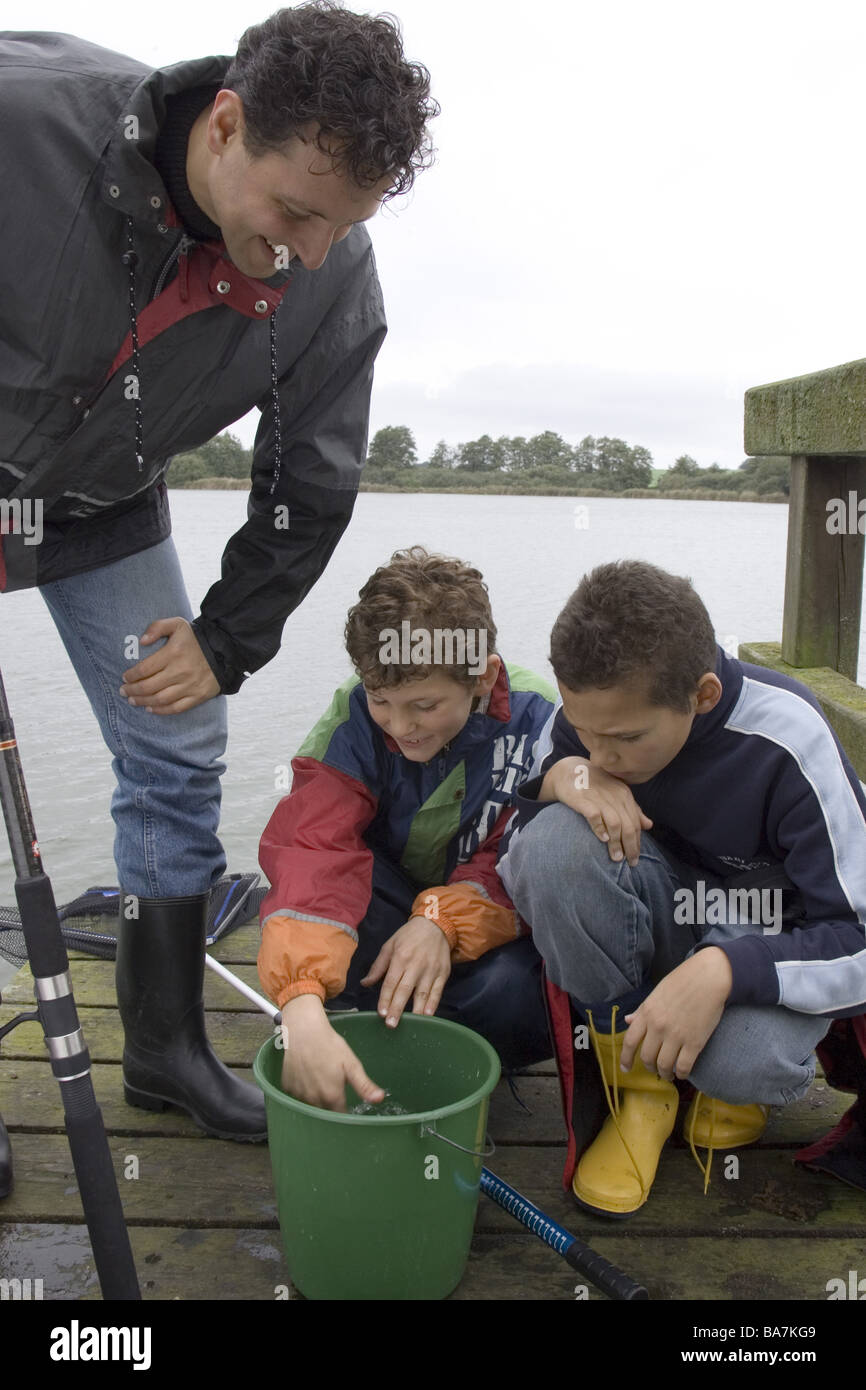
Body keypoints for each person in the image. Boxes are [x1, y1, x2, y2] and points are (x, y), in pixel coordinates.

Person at [0, 6, 436, 1141]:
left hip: (102, 503)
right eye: (293, 212)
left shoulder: (331, 270)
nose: (311, 251)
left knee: (176, 740)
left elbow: (312, 474)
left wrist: (229, 635)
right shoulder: (25, 118)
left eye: (342, 225)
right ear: (226, 123)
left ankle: (162, 1049)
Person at [497, 560, 866, 1215]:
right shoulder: (601, 714)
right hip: (668, 913)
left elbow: (859, 942)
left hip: (768, 938)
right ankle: (642, 1093)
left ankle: (730, 1090)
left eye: (625, 739)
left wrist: (724, 969)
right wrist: (566, 778)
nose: (602, 756)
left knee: (740, 1060)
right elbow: (537, 807)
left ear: (701, 696)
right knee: (549, 846)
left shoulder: (791, 737)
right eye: (585, 732)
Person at [257, 547, 557, 1110]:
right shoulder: (350, 716)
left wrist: (441, 921)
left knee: (514, 997)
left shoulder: (539, 716)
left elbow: (522, 858)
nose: (399, 727)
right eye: (381, 700)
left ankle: (380, 1023)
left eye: (423, 705)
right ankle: (344, 1022)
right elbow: (314, 847)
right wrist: (298, 997)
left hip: (487, 932)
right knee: (318, 932)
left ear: (482, 676)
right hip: (389, 907)